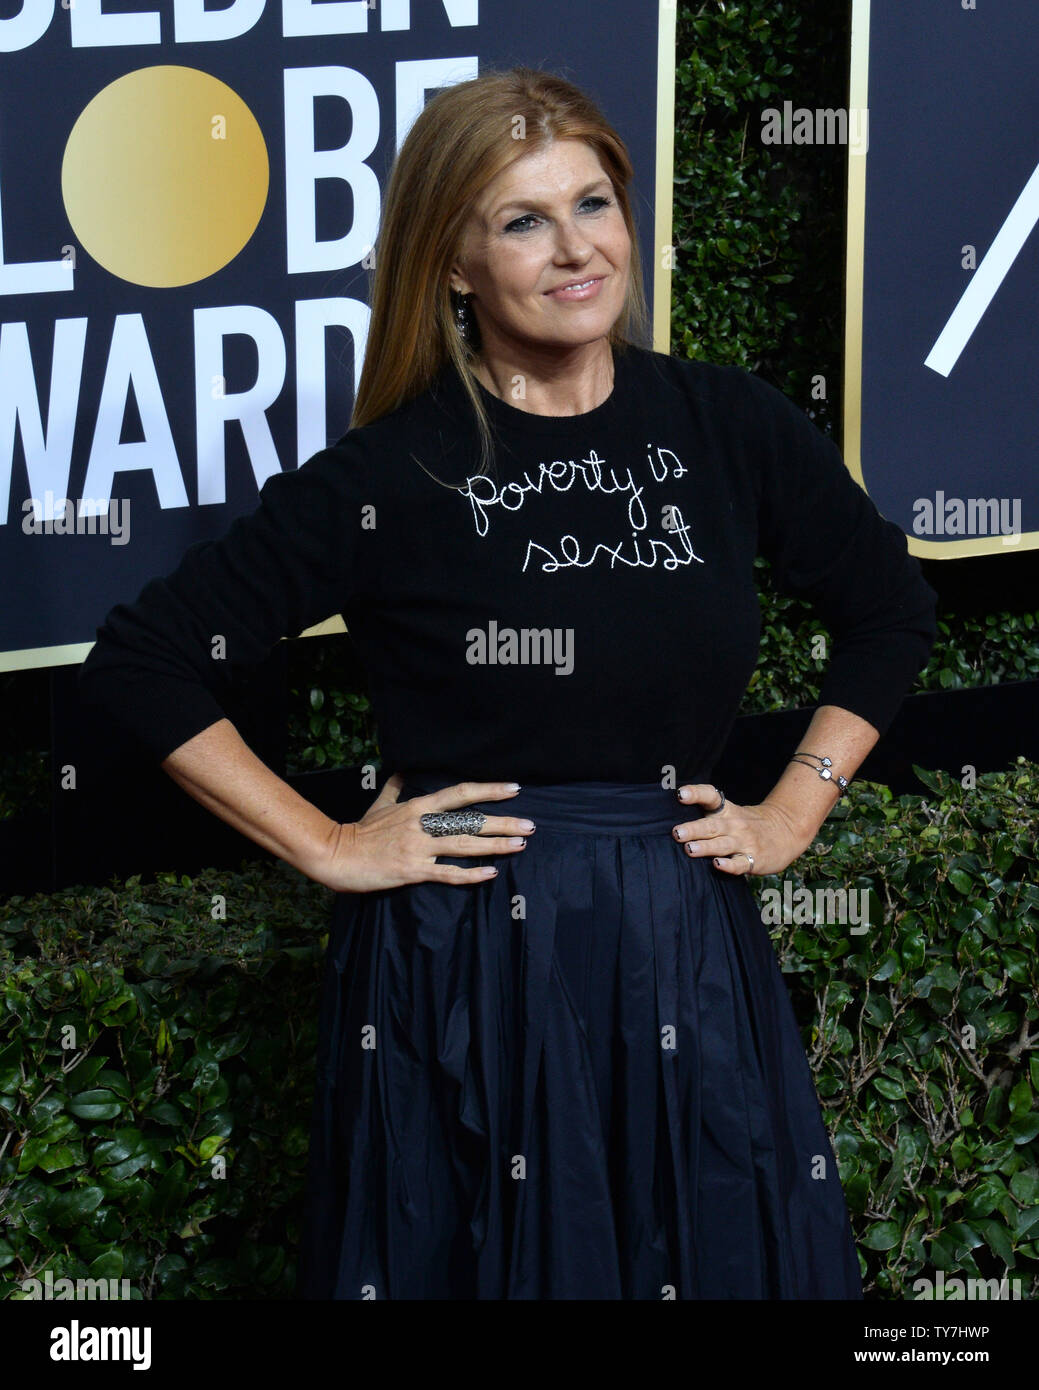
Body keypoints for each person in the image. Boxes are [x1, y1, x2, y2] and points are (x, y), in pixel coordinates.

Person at [78, 66, 938, 1300]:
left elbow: (890, 606)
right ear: (453, 264)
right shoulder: (394, 470)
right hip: (462, 954)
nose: (576, 248)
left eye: (594, 204)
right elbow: (144, 661)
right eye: (522, 221)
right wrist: (327, 843)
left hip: (679, 944)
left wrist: (797, 803)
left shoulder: (725, 424)